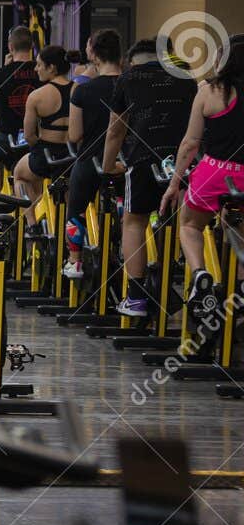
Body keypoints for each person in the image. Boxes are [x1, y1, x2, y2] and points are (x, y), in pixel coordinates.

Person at [103, 38, 195, 318]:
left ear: (134, 61)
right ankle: (192, 284)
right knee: (187, 224)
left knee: (133, 222)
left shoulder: (128, 79)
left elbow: (115, 131)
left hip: (143, 159)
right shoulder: (187, 79)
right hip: (183, 163)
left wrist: (107, 166)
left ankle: (136, 297)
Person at [161, 33, 244, 303]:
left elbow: (190, 143)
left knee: (189, 225)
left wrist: (174, 184)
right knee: (240, 240)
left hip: (214, 172)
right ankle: (237, 297)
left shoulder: (209, 90)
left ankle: (199, 274)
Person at [63, 29, 122, 280]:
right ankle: (123, 248)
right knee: (127, 208)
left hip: (90, 161)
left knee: (75, 208)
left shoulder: (83, 91)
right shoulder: (130, 85)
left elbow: (74, 136)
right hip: (123, 162)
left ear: (95, 57)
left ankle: (75, 261)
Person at [13, 45, 74, 223]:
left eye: (39, 65)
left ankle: (32, 226)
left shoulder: (36, 96)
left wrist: (39, 147)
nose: (35, 68)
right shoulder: (80, 90)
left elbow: (29, 135)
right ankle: (69, 228)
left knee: (19, 174)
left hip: (46, 157)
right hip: (73, 156)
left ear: (51, 68)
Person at [0, 27, 39, 186]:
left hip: (7, 139)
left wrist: (5, 68)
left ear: (10, 47)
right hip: (35, 138)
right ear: (32, 46)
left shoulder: (1, 74)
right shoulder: (41, 71)